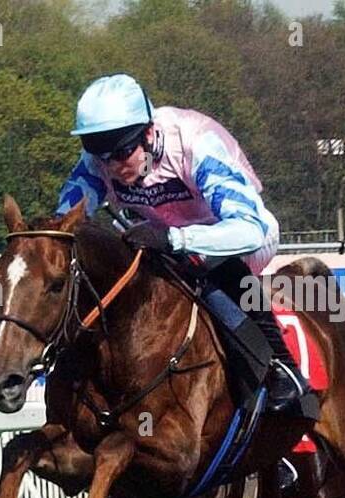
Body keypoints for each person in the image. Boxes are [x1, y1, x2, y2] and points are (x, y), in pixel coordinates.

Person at [56, 73, 317, 419]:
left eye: (122, 153)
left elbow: (249, 228)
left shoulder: (195, 143)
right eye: (100, 156)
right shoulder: (101, 159)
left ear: (148, 133)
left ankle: (283, 370)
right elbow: (62, 225)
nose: (113, 167)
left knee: (201, 263)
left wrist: (176, 239)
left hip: (237, 235)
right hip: (168, 237)